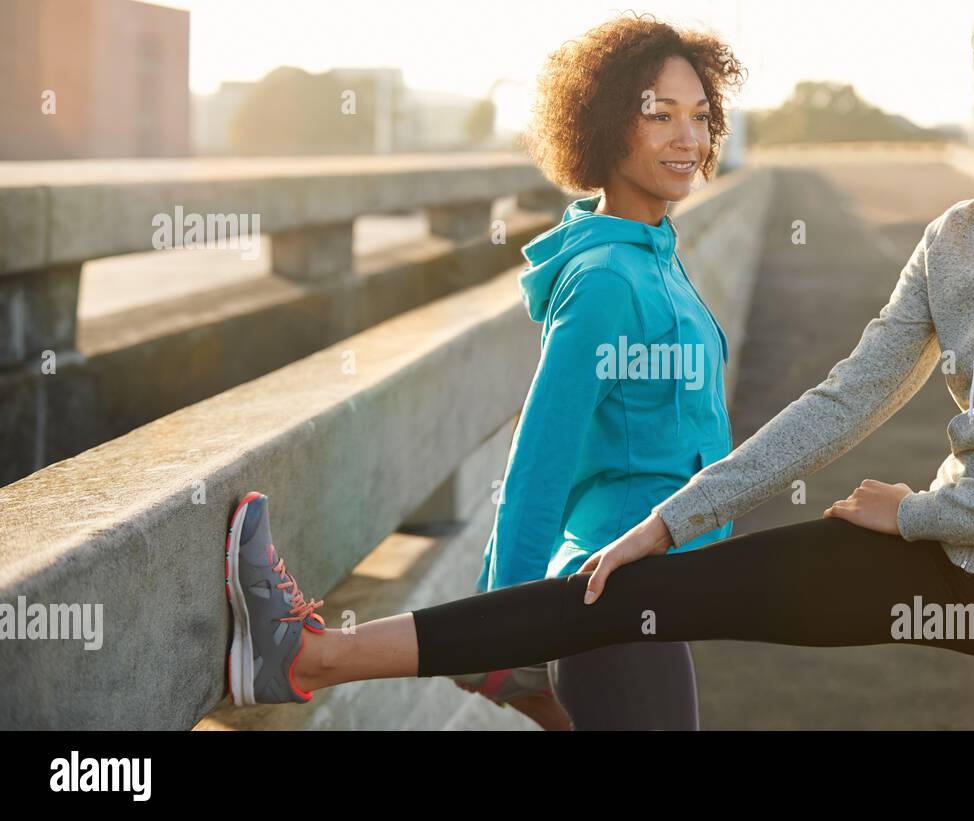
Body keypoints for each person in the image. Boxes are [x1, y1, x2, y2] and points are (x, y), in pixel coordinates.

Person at [222, 0, 974, 729]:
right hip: (947, 554)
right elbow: (844, 396)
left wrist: (912, 512)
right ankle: (312, 653)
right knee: (630, 591)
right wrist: (669, 519)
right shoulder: (955, 239)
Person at [224, 14, 746, 731]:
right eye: (659, 115)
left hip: (658, 592)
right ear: (604, 125)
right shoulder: (605, 280)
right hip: (615, 596)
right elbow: (541, 457)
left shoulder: (656, 255)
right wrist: (506, 620)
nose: (688, 138)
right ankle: (300, 654)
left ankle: (305, 654)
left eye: (700, 116)